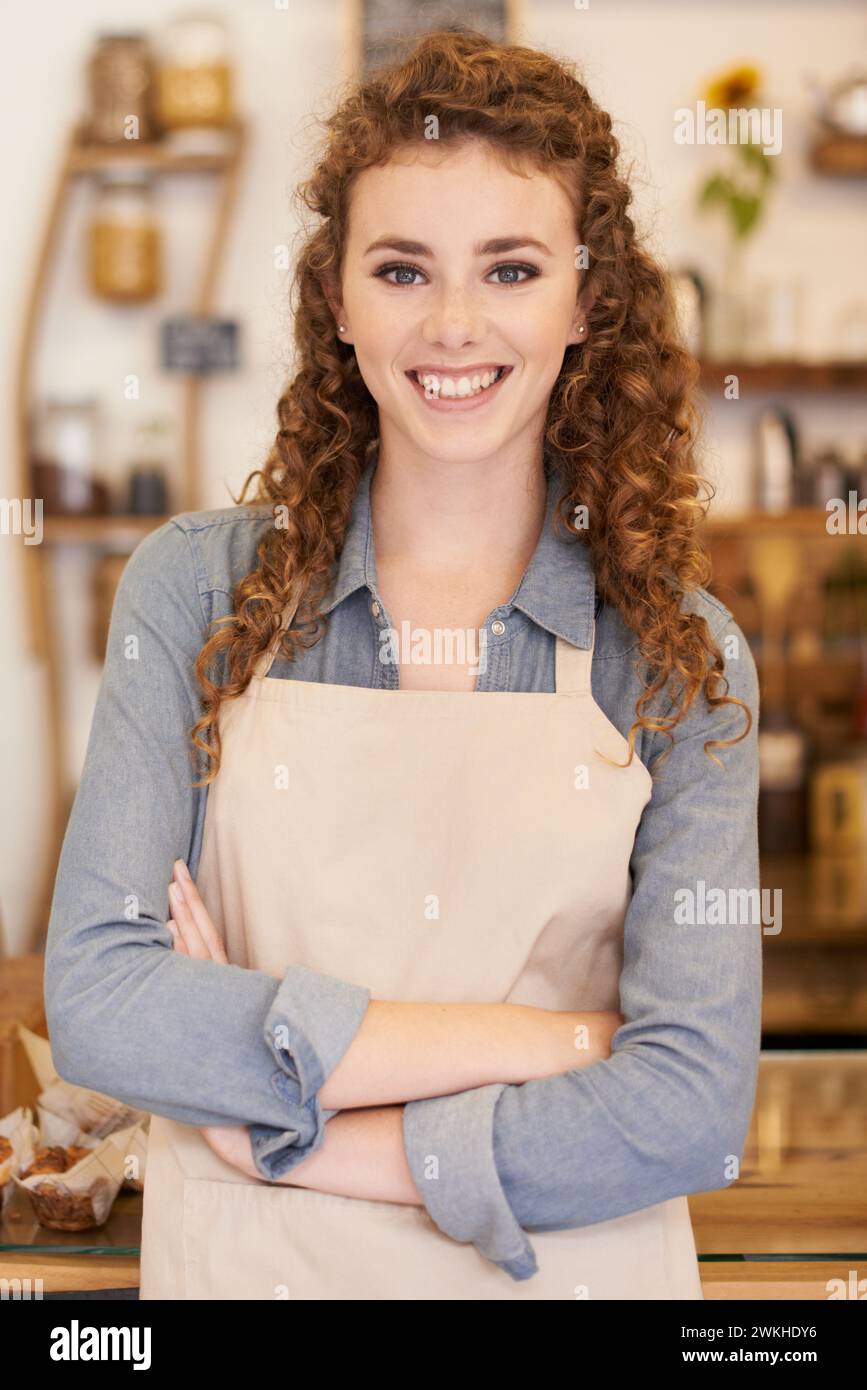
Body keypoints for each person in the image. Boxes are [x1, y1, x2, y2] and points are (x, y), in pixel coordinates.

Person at [44, 28, 762, 1300]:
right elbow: (103, 1004)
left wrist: (302, 1135)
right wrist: (547, 1044)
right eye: (402, 269)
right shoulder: (197, 591)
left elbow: (686, 1110)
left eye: (511, 268)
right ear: (336, 298)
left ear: (587, 300)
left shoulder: (679, 657)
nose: (454, 325)